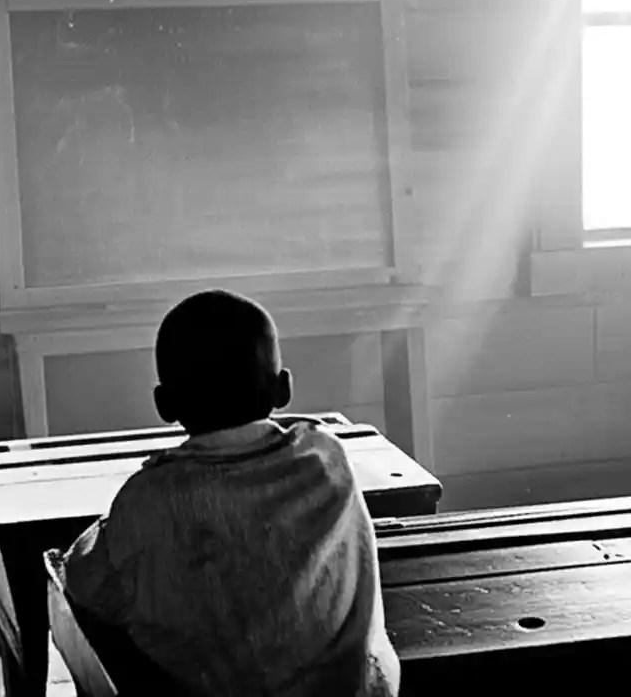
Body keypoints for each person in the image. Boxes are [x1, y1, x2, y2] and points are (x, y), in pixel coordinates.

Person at [63, 290, 399, 697]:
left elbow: (86, 582)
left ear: (164, 404)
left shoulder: (150, 496)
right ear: (283, 389)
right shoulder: (325, 458)